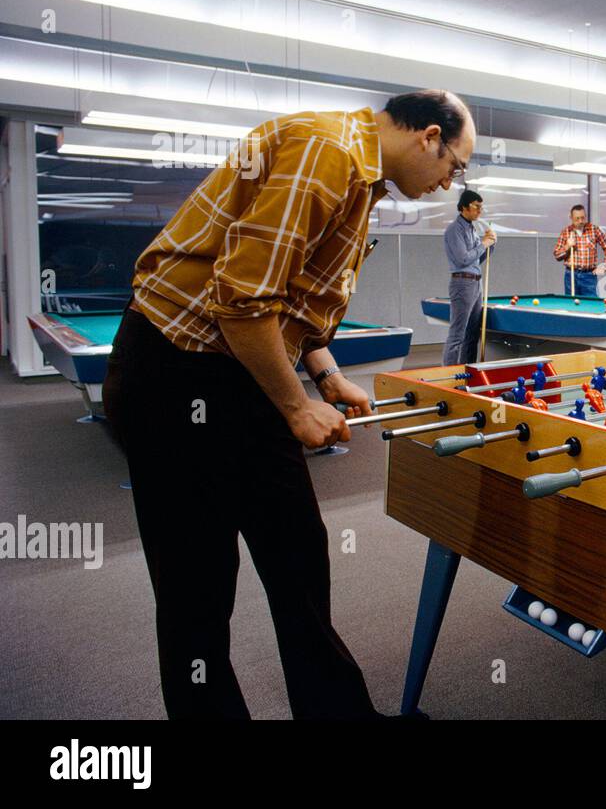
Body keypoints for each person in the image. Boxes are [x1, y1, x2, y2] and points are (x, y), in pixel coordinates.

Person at [103, 89, 474, 719]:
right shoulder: (325, 151)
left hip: (239, 366)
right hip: (175, 369)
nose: (448, 183)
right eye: (454, 166)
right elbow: (243, 302)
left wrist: (324, 374)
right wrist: (297, 408)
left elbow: (290, 297)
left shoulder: (362, 180)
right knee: (198, 580)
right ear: (429, 136)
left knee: (297, 552)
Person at [442, 188, 496, 365]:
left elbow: (477, 259)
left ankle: (468, 372)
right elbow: (463, 258)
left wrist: (491, 244)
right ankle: (448, 374)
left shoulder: (472, 229)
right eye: (476, 206)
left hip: (475, 283)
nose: (480, 211)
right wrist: (483, 243)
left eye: (481, 207)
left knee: (472, 333)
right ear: (464, 207)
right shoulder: (453, 230)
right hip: (462, 283)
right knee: (458, 334)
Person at [552, 204, 606, 296]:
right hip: (571, 275)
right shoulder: (566, 232)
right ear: (571, 218)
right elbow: (557, 255)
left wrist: (604, 266)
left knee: (592, 305)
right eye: (577, 218)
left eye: (583, 218)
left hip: (589, 275)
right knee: (571, 305)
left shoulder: (594, 230)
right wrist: (567, 246)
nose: (581, 221)